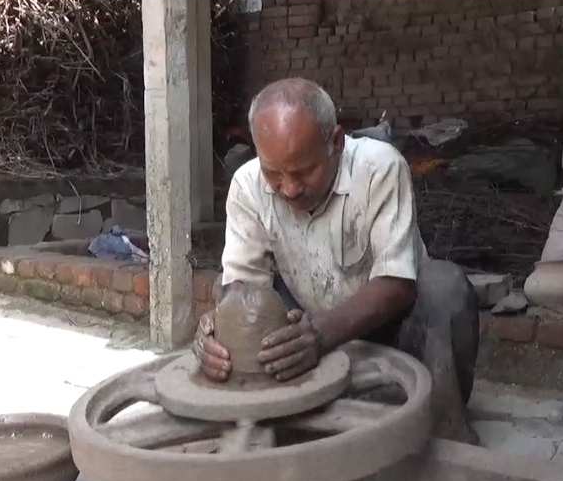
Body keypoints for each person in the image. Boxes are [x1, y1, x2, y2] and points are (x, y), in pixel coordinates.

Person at [193, 78, 479, 443]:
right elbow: (242, 285)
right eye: (274, 172)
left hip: (391, 328)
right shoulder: (247, 186)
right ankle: (293, 423)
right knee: (234, 302)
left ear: (336, 142)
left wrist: (322, 335)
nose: (290, 188)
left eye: (304, 171)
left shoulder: (380, 168)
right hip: (305, 330)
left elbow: (398, 282)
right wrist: (221, 334)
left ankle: (444, 433)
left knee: (445, 286)